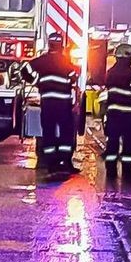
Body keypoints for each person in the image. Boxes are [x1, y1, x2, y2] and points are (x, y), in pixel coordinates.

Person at [24, 32, 80, 174]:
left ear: (49, 44)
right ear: (61, 46)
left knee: (48, 132)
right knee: (66, 133)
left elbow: (24, 70)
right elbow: (74, 77)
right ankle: (66, 162)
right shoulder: (65, 62)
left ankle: (51, 165)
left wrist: (38, 82)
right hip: (63, 105)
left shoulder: (41, 61)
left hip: (47, 103)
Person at [99, 43, 131, 180]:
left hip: (113, 115)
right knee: (129, 145)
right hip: (130, 115)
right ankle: (128, 172)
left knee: (112, 142)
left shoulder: (110, 73)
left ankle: (111, 171)